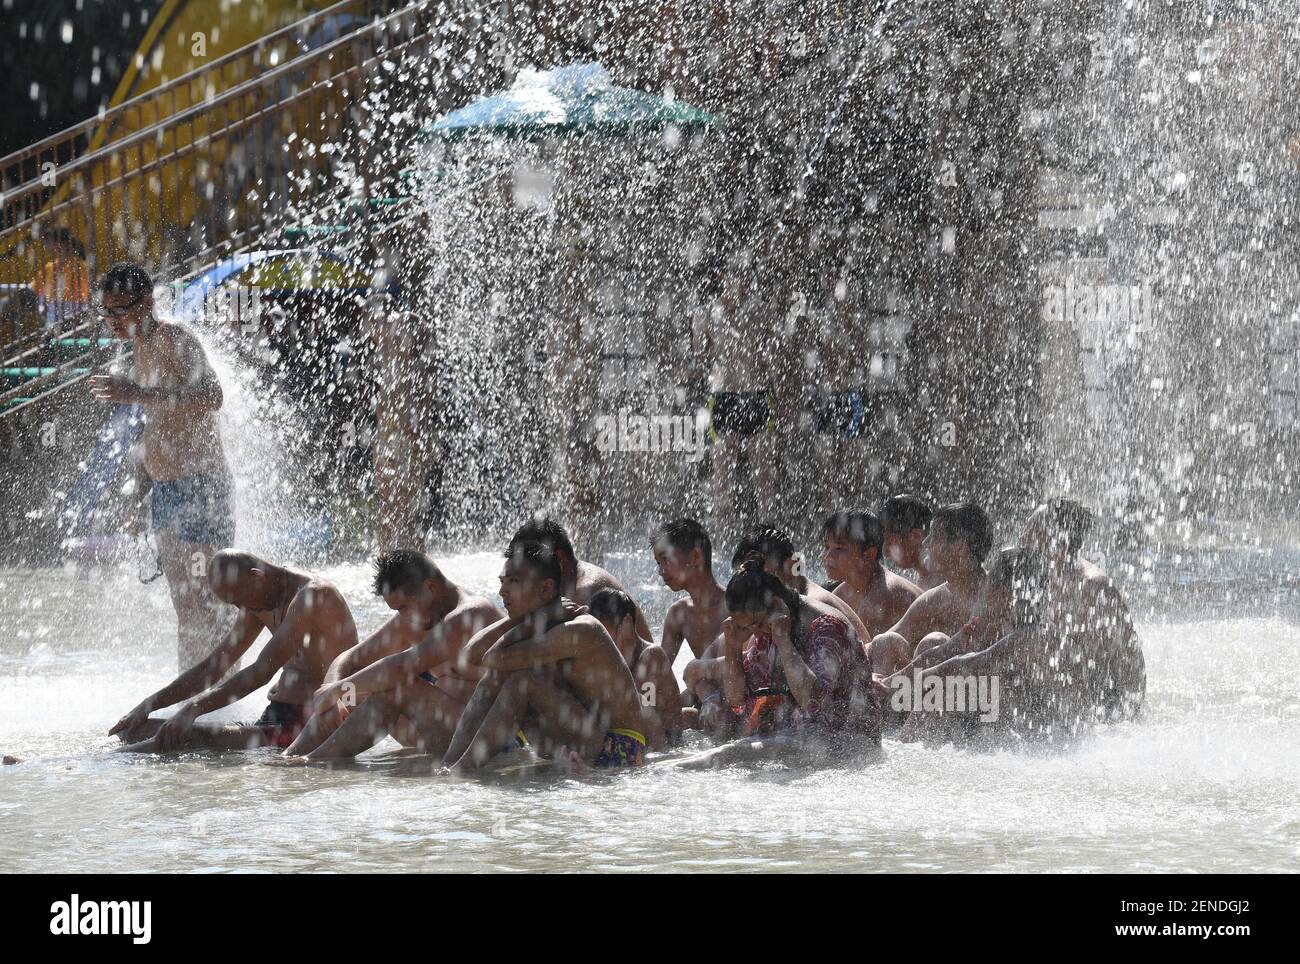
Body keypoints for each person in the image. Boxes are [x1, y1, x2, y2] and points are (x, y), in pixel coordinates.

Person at [89, 262, 234, 670]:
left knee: (211, 599)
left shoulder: (174, 338)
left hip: (201, 487)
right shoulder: (139, 347)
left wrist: (135, 392)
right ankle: (192, 693)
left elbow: (212, 395)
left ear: (148, 302)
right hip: (168, 491)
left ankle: (223, 693)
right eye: (107, 312)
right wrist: (139, 488)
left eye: (121, 310)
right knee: (185, 604)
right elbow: (158, 422)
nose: (113, 321)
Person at [111, 551, 357, 752]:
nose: (243, 609)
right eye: (235, 604)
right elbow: (215, 665)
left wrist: (193, 708)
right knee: (132, 732)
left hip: (314, 721)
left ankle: (101, 766)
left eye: (241, 600)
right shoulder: (258, 596)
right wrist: (148, 705)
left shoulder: (312, 596)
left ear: (257, 577)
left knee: (178, 741)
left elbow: (261, 672)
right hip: (275, 719)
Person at [441, 541, 649, 772]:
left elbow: (492, 657)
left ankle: (462, 771)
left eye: (514, 582)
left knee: (523, 681)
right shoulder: (541, 621)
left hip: (620, 751)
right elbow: (471, 654)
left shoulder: (579, 628)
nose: (502, 592)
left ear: (546, 588)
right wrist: (528, 618)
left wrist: (532, 619)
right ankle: (449, 764)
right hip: (582, 737)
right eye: (502, 582)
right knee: (494, 678)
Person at [282, 550, 502, 760]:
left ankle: (314, 760)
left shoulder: (471, 614)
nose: (402, 616)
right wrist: (336, 696)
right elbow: (349, 659)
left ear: (430, 587)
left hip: (487, 737)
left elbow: (401, 667)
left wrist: (338, 690)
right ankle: (291, 755)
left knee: (394, 685)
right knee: (359, 682)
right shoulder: (418, 616)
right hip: (439, 733)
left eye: (404, 607)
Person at [685, 556, 878, 765]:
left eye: (757, 625)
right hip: (805, 736)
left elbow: (812, 700)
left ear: (777, 604)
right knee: (728, 748)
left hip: (852, 744)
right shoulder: (767, 627)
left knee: (728, 755)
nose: (756, 634)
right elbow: (737, 700)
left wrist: (784, 642)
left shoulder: (826, 627)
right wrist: (732, 646)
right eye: (748, 628)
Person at [1020, 497, 1145, 720]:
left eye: (1032, 529)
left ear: (1060, 538)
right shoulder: (1034, 580)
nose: (1022, 537)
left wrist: (1127, 721)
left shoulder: (1095, 588)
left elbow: (1132, 662)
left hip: (1099, 713)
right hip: (1054, 708)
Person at [868, 501, 993, 675]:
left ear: (960, 547)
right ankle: (875, 697)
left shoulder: (996, 595)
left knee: (934, 642)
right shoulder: (936, 599)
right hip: (931, 688)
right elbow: (888, 637)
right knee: (885, 641)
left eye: (934, 536)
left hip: (986, 692)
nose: (926, 542)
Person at [508, 516, 653, 642]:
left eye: (526, 566)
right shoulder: (570, 578)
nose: (522, 574)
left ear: (559, 557)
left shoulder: (583, 592)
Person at [589, 588, 683, 749]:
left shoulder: (650, 656)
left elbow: (644, 713)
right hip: (636, 739)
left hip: (665, 745)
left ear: (626, 623)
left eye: (604, 631)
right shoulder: (612, 656)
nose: (599, 639)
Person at [822, 509, 920, 638]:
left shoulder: (881, 598)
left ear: (869, 554)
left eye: (839, 549)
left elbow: (869, 655)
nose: (828, 556)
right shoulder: (840, 595)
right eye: (826, 547)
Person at [652, 517, 726, 664]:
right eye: (658, 563)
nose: (660, 571)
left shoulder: (735, 607)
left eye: (666, 559)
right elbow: (661, 674)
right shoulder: (679, 614)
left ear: (696, 556)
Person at [31, 227, 90, 328]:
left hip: (75, 318)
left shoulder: (80, 267)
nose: (46, 245)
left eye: (50, 242)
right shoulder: (49, 268)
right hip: (53, 319)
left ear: (63, 243)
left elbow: (85, 297)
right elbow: (32, 290)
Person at [882, 494, 943, 590]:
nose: (885, 553)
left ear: (917, 536)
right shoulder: (924, 576)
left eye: (890, 543)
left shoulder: (946, 581)